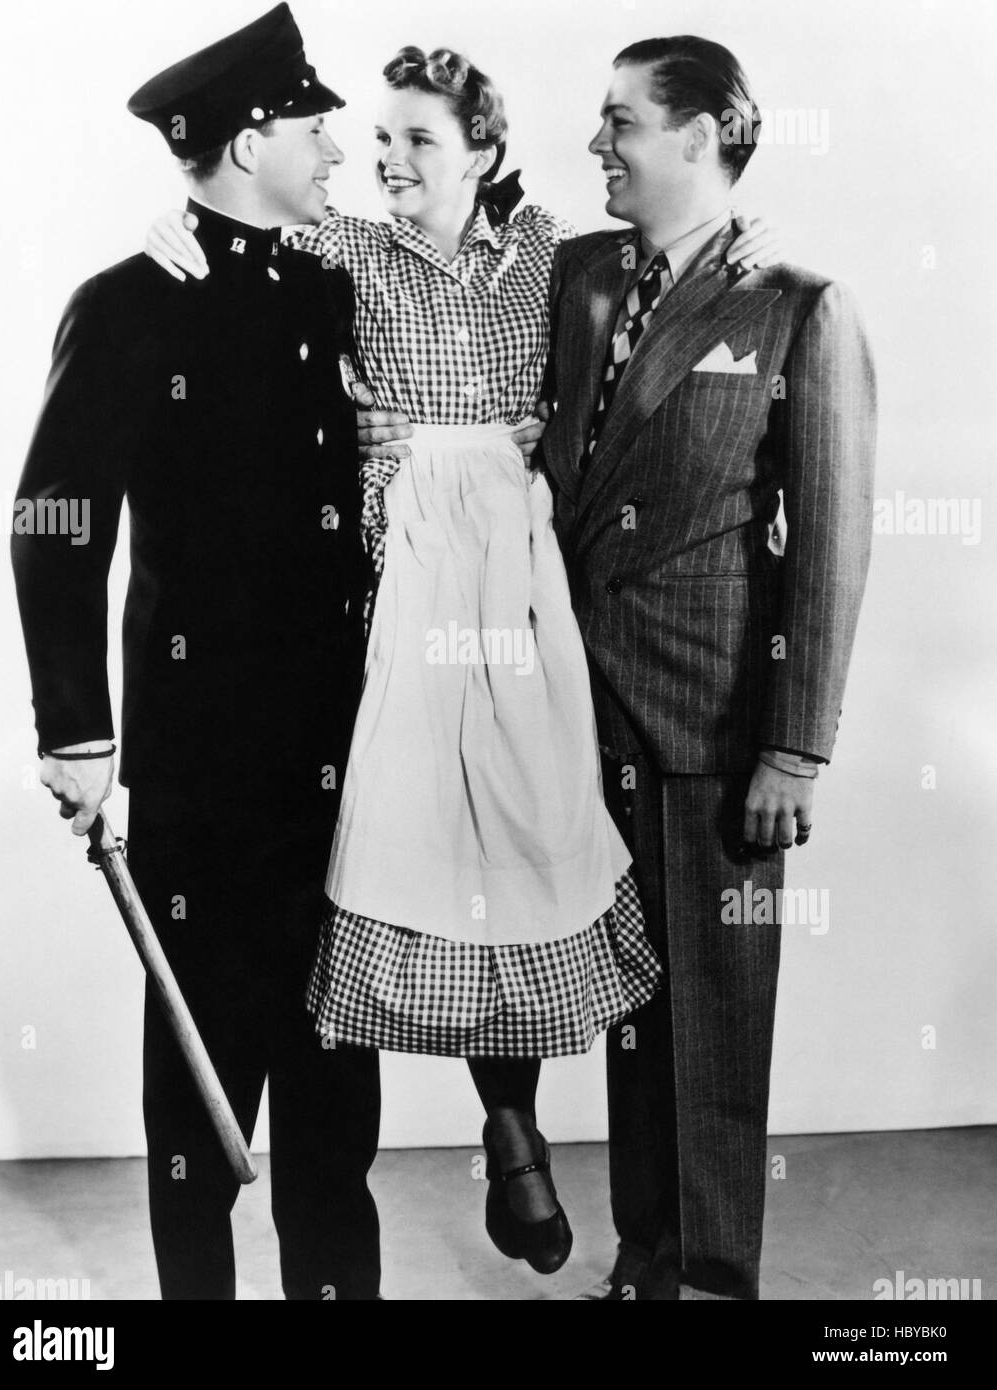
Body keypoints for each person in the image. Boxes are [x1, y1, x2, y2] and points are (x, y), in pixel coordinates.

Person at [145, 42, 778, 1278]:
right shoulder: (341, 252)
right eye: (377, 143)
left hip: (518, 572)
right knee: (418, 837)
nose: (386, 162)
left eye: (419, 141)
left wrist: (749, 242)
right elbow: (238, 237)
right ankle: (493, 1126)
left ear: (484, 150)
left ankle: (511, 1124)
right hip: (400, 580)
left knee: (524, 827)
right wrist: (166, 228)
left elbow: (679, 252)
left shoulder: (555, 248)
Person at [12, 4, 381, 1300]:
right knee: (199, 1122)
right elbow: (55, 518)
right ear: (243, 141)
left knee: (336, 1109)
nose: (335, 142)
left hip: (345, 769)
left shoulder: (343, 288)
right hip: (205, 777)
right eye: (311, 121)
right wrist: (77, 729)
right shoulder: (128, 308)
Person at [533, 36, 874, 1299]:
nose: (596, 144)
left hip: (715, 720)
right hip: (580, 712)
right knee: (631, 1009)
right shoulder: (572, 277)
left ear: (701, 134)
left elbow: (829, 542)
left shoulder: (793, 304)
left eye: (618, 120)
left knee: (714, 1024)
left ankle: (714, 1274)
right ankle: (644, 1260)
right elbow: (442, 267)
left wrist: (795, 743)